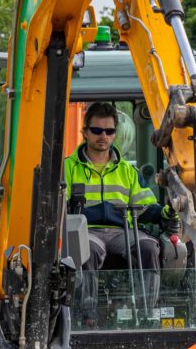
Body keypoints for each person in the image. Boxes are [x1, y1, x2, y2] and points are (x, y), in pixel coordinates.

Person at [64, 102, 163, 275]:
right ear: (85, 132)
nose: (103, 136)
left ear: (114, 134)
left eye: (109, 131)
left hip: (123, 232)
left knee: (148, 247)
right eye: (97, 130)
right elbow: (59, 209)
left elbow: (145, 208)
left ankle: (146, 302)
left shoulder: (128, 171)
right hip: (86, 231)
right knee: (84, 250)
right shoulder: (68, 168)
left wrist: (166, 212)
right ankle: (86, 302)